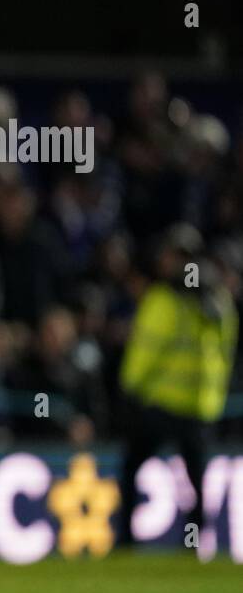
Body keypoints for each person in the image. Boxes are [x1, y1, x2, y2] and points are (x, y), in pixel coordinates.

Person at [117, 224, 237, 551]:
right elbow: (224, 354)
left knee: (133, 468)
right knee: (195, 482)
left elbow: (145, 351)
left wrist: (130, 389)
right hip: (198, 406)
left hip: (163, 403)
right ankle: (194, 544)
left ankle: (126, 542)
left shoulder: (165, 300)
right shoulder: (217, 301)